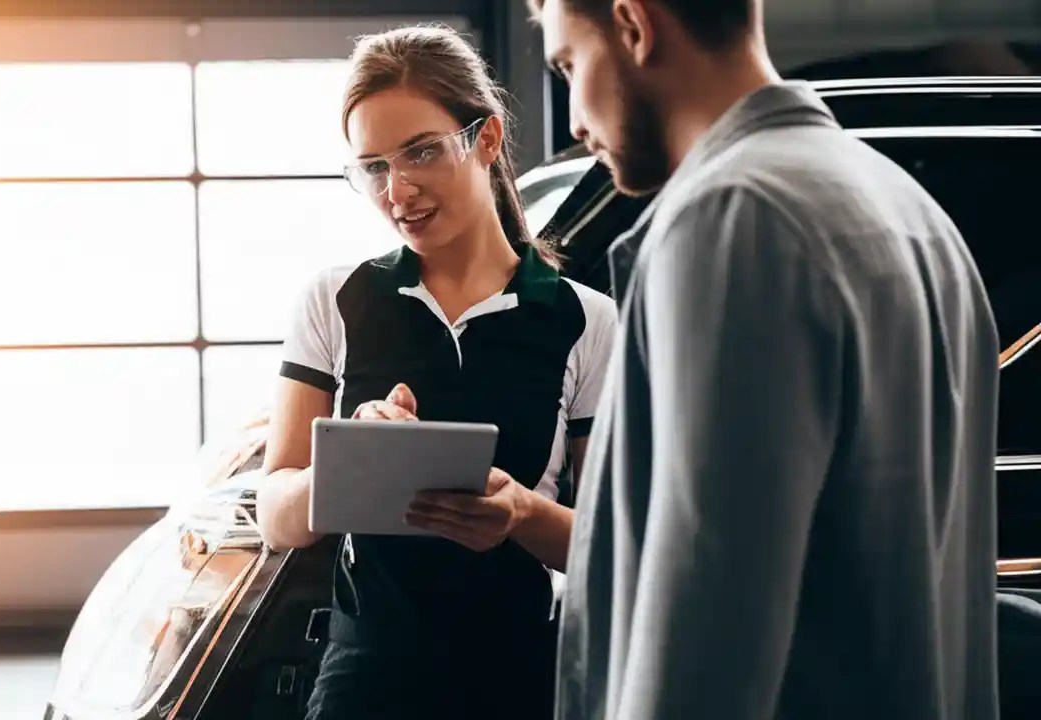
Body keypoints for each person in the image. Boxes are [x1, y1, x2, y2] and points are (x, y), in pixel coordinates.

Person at [530, 1, 1001, 718]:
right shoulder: (913, 212)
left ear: (634, 24)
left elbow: (704, 638)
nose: (573, 118)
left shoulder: (732, 219)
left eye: (570, 64)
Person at [253, 25, 618, 720]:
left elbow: (610, 547)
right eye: (374, 167)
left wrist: (520, 512)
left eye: (421, 151)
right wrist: (348, 459)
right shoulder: (335, 300)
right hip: (365, 676)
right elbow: (277, 517)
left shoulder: (585, 319)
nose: (399, 190)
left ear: (485, 139)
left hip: (519, 676)